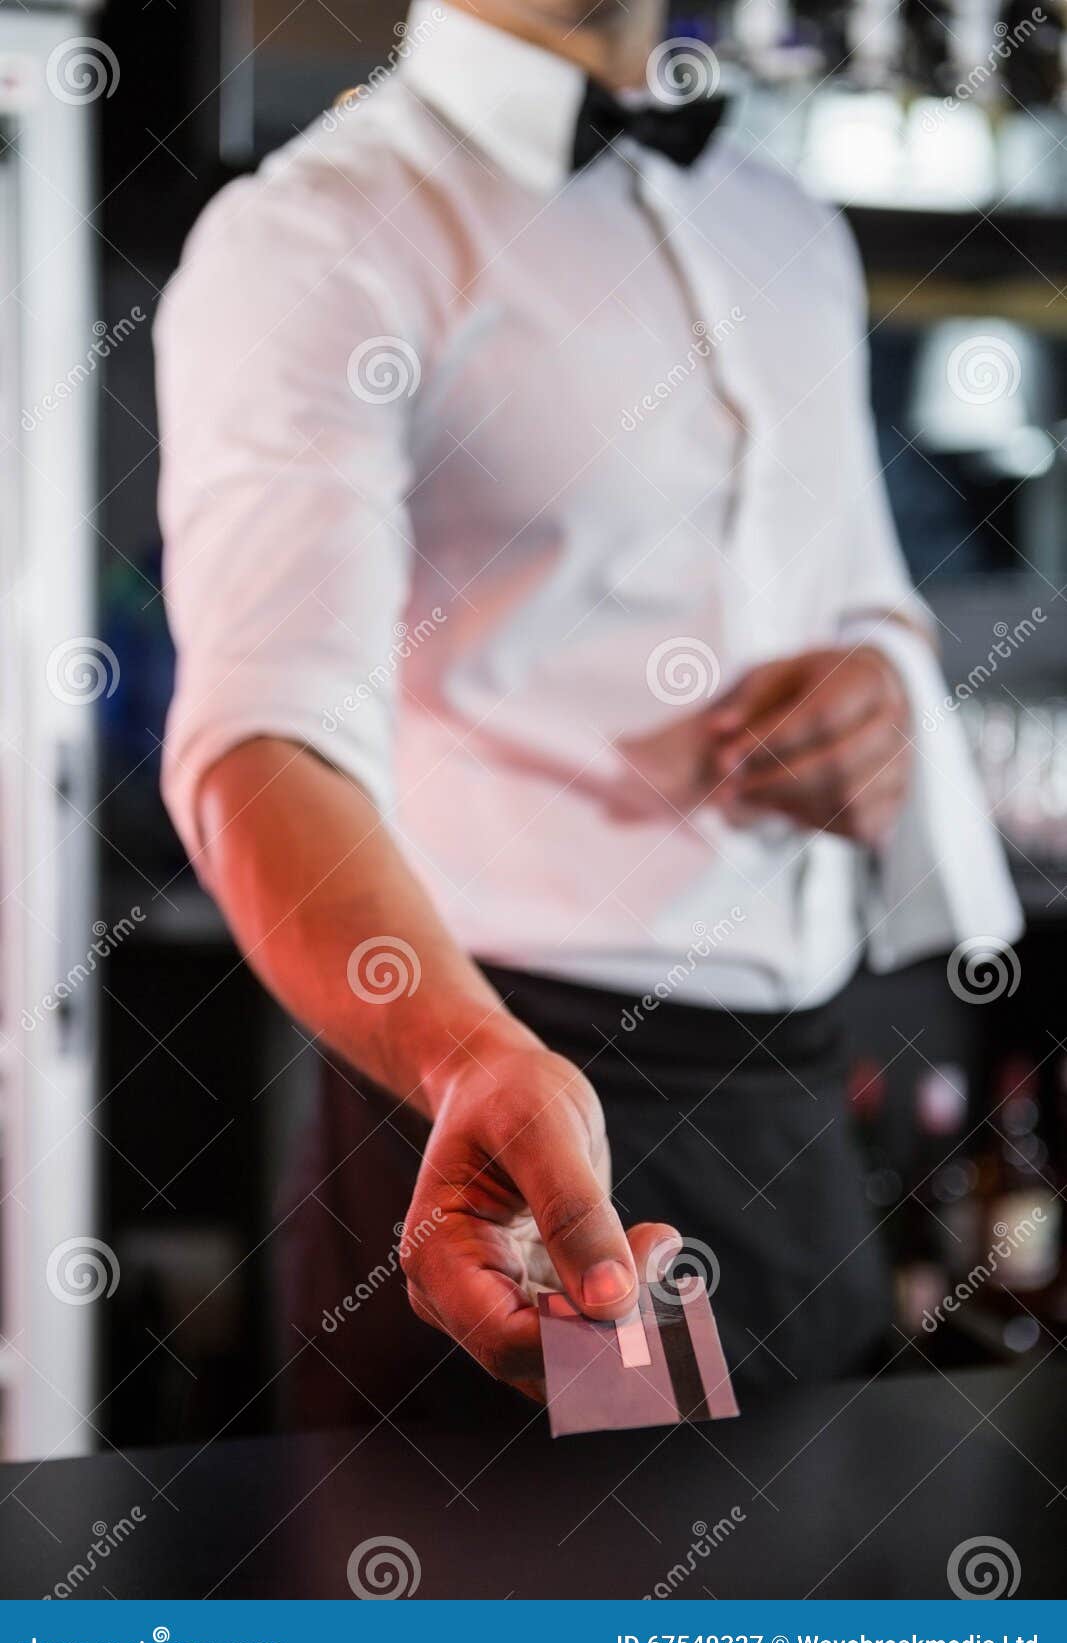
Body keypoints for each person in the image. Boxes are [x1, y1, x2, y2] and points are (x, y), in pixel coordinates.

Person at [156, 0, 1021, 1423]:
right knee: (520, 1636)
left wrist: (878, 686)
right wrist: (467, 1057)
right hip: (508, 1121)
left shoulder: (785, 227)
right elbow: (262, 739)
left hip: (796, 1107)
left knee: (823, 1626)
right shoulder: (311, 236)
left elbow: (864, 596)